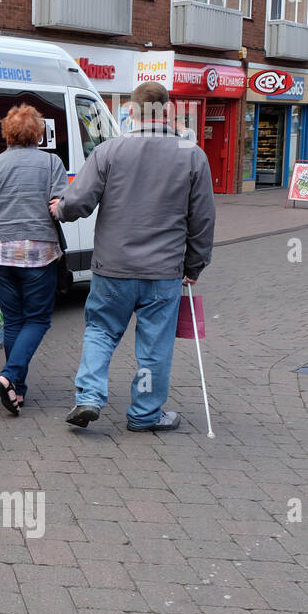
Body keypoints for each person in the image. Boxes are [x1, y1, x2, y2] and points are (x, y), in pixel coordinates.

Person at [52, 81, 216, 433]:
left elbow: (79, 202)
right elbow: (202, 219)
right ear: (168, 111)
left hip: (113, 269)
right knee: (154, 345)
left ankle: (90, 397)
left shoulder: (110, 151)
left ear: (131, 112)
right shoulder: (192, 154)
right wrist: (194, 265)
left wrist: (60, 209)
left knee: (100, 331)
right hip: (163, 272)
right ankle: (144, 414)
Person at [0, 104, 69, 415]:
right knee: (38, 319)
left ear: (7, 132)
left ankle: (17, 391)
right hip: (38, 253)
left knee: (13, 320)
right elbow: (60, 205)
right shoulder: (52, 163)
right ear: (38, 132)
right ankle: (10, 376)